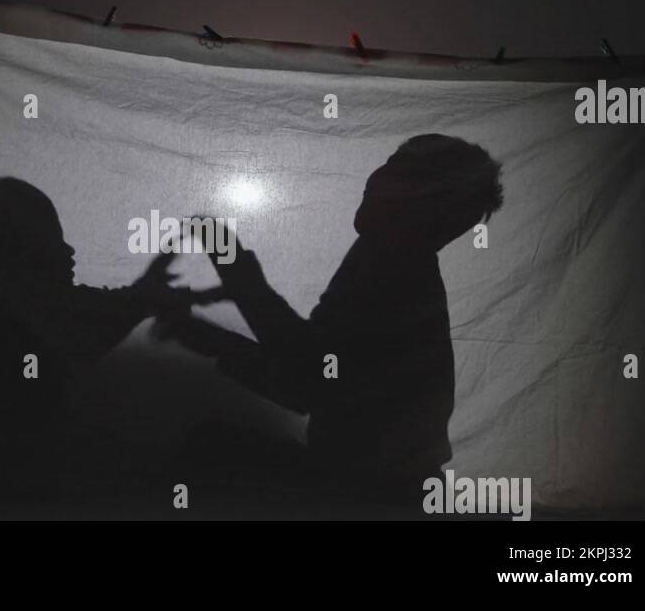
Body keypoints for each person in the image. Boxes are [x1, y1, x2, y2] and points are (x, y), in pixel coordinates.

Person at [158, 134, 504, 509]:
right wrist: (216, 328)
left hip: (371, 494)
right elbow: (316, 377)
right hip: (385, 488)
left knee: (209, 450)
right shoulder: (394, 263)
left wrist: (236, 278)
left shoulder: (390, 270)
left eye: (397, 170)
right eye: (388, 164)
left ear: (422, 202)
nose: (376, 178)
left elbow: (306, 381)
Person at [0, 174, 214, 511]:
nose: (69, 251)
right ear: (16, 264)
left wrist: (144, 293)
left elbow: (86, 315)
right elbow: (79, 331)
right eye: (52, 241)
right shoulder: (10, 341)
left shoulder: (12, 326)